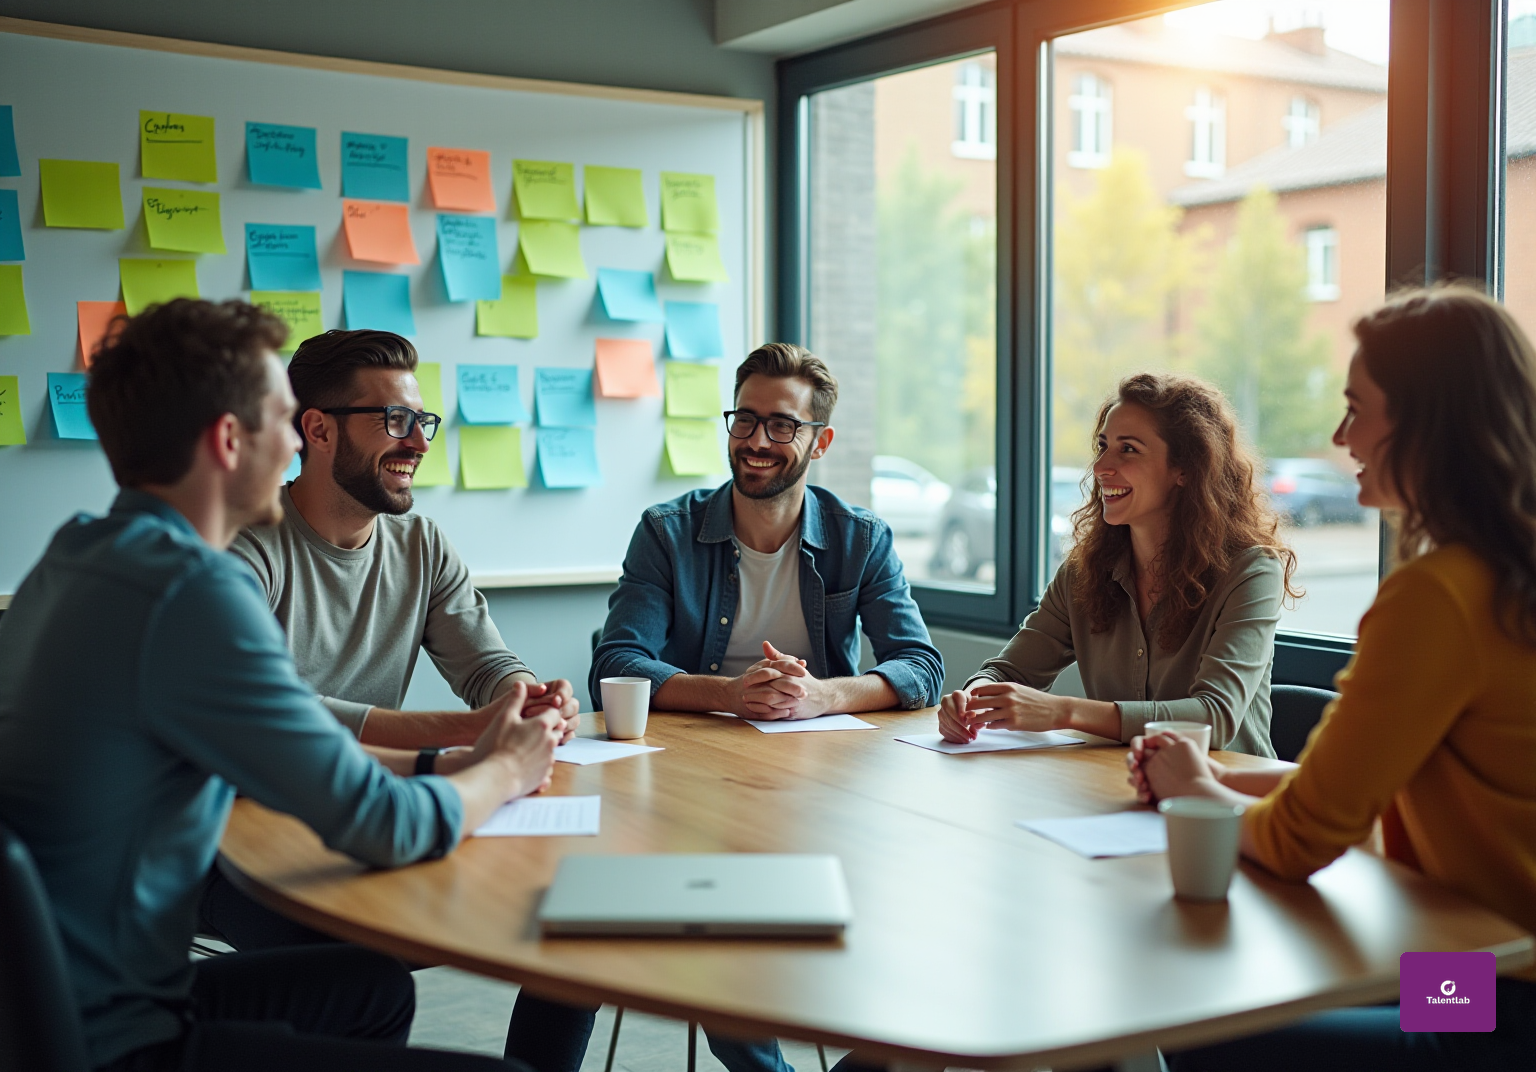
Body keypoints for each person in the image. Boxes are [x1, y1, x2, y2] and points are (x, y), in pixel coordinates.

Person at [0, 298, 564, 1072]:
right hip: (115, 1038)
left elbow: (282, 758)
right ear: (230, 441)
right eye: (282, 416)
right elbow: (383, 825)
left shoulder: (81, 552)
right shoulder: (190, 592)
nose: (297, 436)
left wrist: (452, 764)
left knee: (369, 990)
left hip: (55, 1000)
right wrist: (504, 770)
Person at [1131, 287, 1536, 1071]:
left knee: (1199, 1022)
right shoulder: (1504, 577)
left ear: (1427, 424)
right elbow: (1354, 787)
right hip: (1483, 966)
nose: (1340, 435)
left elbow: (1298, 841)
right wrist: (1212, 771)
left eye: (1358, 409)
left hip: (1487, 997)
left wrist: (1195, 791)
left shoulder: (1436, 596)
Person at [523, 343, 940, 1072]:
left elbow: (922, 666)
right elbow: (616, 663)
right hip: (682, 783)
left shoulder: (859, 538)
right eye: (744, 420)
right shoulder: (668, 530)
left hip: (820, 790)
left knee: (914, 927)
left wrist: (821, 697)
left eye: (781, 426)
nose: (755, 441)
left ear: (821, 441)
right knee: (611, 930)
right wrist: (731, 696)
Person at [202, 328, 579, 950]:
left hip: (368, 808)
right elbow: (275, 721)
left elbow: (487, 663)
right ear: (319, 431)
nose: (420, 441)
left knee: (563, 901)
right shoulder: (245, 547)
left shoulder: (421, 545)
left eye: (422, 419)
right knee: (362, 971)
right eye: (396, 419)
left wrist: (526, 697)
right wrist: (470, 731)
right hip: (244, 837)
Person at [939, 373, 1296, 756]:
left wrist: (1063, 711)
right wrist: (971, 700)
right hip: (1121, 789)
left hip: (1229, 800)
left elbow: (1215, 717)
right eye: (1103, 446)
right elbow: (1008, 672)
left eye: (1128, 450)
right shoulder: (1084, 571)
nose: (1101, 467)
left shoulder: (1252, 571)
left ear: (1186, 469)